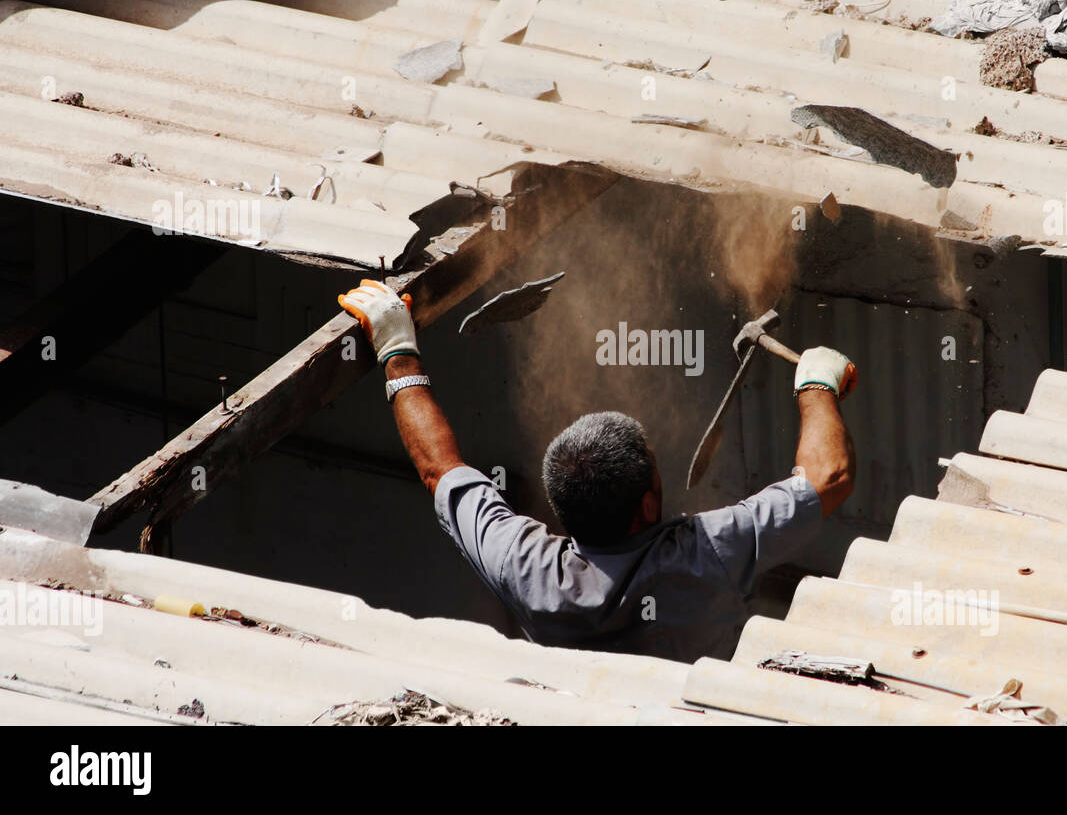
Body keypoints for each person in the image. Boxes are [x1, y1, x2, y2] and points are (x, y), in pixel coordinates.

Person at [339, 279, 857, 663]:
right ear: (648, 505)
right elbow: (828, 477)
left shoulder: (525, 568)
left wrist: (397, 351)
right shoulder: (707, 554)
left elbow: (440, 469)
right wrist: (815, 386)